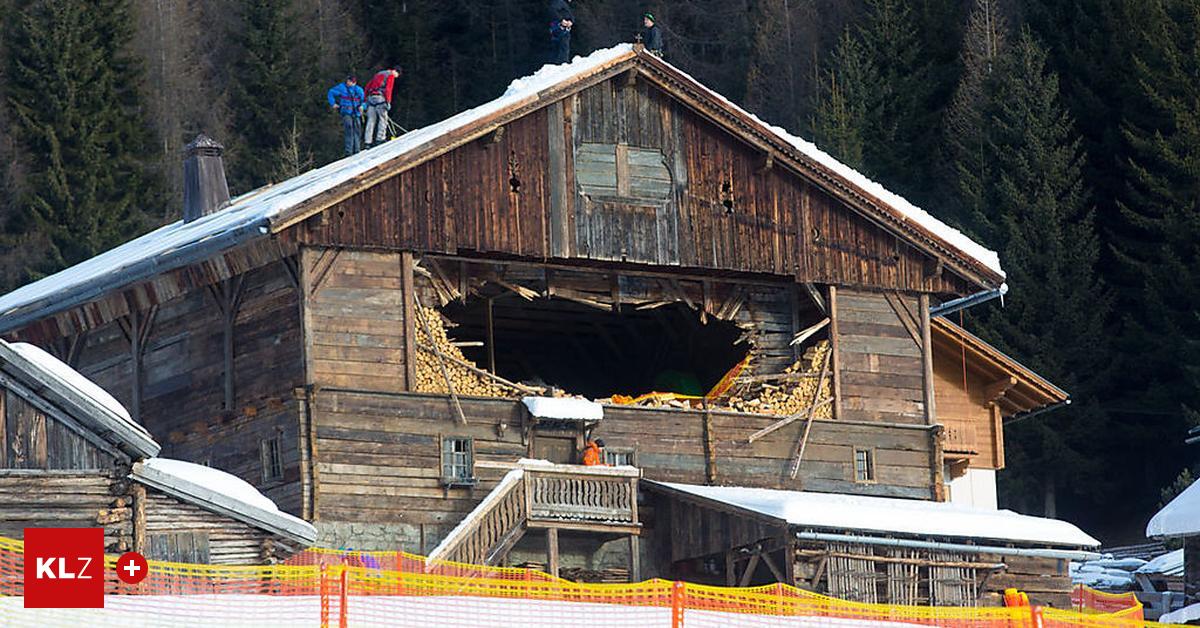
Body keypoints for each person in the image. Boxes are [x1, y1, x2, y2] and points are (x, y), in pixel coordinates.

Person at [363, 66, 402, 149]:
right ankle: (380, 139)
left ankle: (368, 142)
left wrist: (365, 99)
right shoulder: (390, 75)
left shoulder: (379, 74)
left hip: (370, 98)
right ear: (396, 71)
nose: (396, 77)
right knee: (383, 119)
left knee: (371, 120)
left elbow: (367, 86)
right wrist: (388, 102)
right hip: (380, 99)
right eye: (397, 75)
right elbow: (388, 89)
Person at [327, 76, 365, 156]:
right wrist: (333, 103)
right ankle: (349, 151)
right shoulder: (341, 88)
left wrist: (362, 106)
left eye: (352, 82)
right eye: (349, 81)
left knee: (357, 130)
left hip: (356, 112)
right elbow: (331, 92)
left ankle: (357, 149)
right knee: (349, 127)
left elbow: (364, 101)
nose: (349, 83)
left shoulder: (359, 90)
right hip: (346, 111)